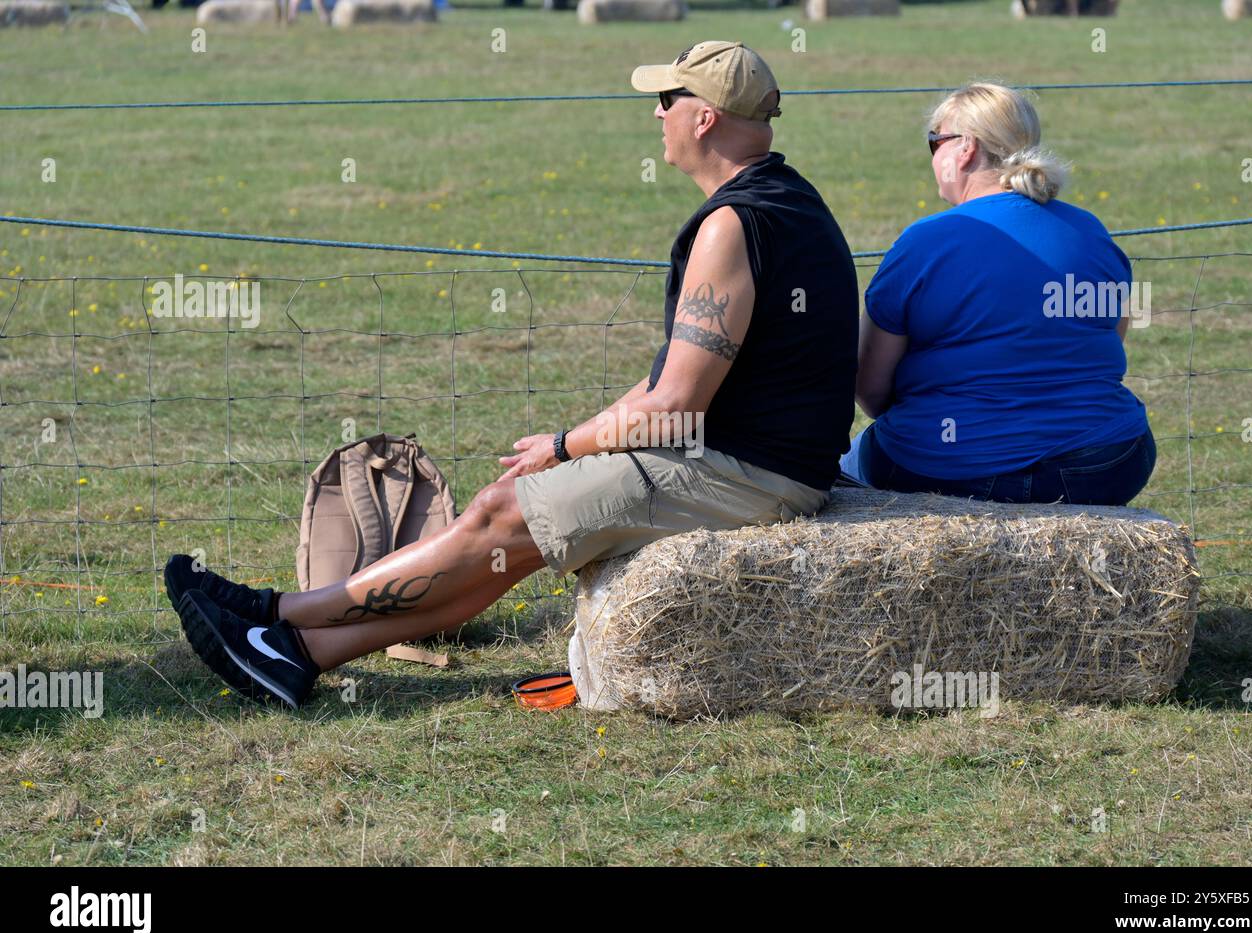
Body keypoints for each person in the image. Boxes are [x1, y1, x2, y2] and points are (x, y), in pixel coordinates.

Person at [167, 41, 860, 709]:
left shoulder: (733, 225)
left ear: (702, 117)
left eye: (667, 98)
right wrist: (575, 447)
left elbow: (674, 401)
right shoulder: (790, 200)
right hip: (758, 462)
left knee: (503, 512)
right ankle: (300, 655)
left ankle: (273, 614)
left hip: (747, 474)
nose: (656, 112)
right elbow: (666, 388)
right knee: (511, 537)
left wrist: (563, 446)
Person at [841, 82, 1155, 506]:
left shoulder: (924, 242)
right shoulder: (1092, 232)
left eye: (936, 142)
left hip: (946, 466)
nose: (932, 156)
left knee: (845, 469)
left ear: (965, 148)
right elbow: (1106, 338)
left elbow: (872, 389)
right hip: (1104, 462)